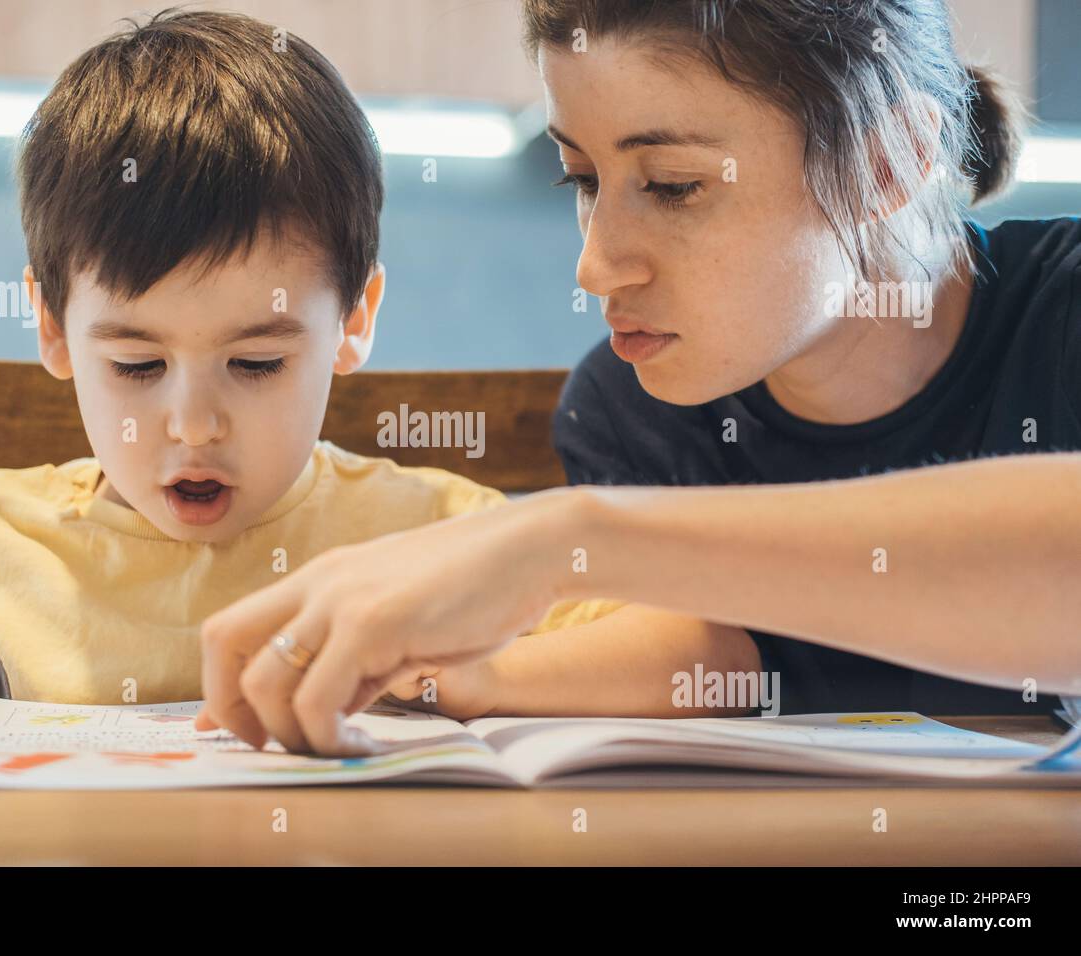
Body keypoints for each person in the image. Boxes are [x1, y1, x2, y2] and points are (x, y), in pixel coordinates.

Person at [194, 0, 1081, 755]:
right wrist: (460, 673)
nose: (596, 266)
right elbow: (734, 665)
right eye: (581, 177)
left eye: (672, 184)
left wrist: (566, 537)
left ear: (888, 161)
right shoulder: (631, 410)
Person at [0, 9, 632, 720]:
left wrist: (473, 675)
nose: (195, 425)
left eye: (255, 362)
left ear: (355, 320)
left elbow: (687, 655)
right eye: (137, 364)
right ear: (54, 329)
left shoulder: (442, 539)